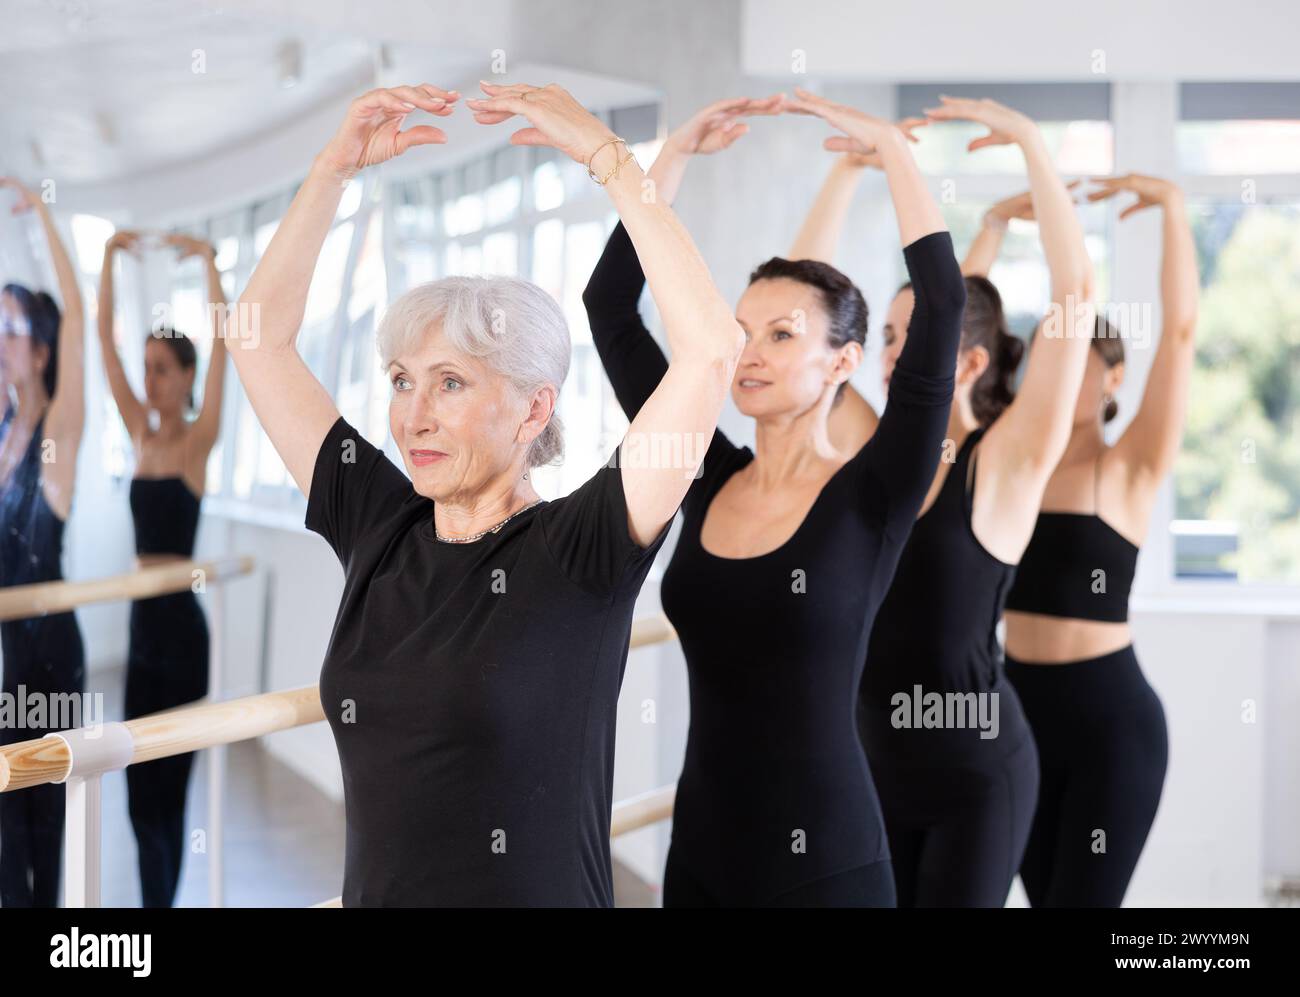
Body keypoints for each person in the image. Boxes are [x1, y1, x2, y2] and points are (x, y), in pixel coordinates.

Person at [224, 81, 744, 906]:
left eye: (451, 383)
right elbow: (256, 341)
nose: (413, 416)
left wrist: (607, 158)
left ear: (534, 405)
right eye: (401, 380)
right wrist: (332, 169)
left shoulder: (585, 546)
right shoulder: (380, 525)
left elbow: (712, 349)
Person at [584, 90, 965, 906]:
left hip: (826, 864)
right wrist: (669, 156)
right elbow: (609, 306)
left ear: (841, 363)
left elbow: (943, 304)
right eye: (742, 329)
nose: (747, 353)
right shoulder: (704, 472)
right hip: (701, 854)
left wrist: (892, 154)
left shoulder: (878, 489)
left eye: (781, 335)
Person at [796, 97, 1097, 906]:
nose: (891, 354)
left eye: (909, 335)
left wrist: (1034, 142)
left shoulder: (1004, 462)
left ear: (965, 362)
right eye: (887, 337)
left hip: (978, 779)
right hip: (871, 768)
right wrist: (847, 170)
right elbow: (801, 313)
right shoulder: (875, 448)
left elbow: (1074, 299)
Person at [1002, 173, 1196, 907]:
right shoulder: (1006, 467)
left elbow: (1179, 334)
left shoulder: (1130, 468)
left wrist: (1174, 209)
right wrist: (992, 224)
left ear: (1112, 377)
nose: (1048, 376)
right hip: (1015, 713)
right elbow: (948, 351)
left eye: (1075, 360)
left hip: (1110, 727)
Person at [97, 229, 229, 906]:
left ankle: (159, 912)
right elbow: (102, 341)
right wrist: (108, 259)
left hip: (181, 633)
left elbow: (227, 344)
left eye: (160, 368)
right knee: (133, 785)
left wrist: (209, 265)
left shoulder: (195, 445)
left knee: (168, 793)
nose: (147, 378)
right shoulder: (140, 433)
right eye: (145, 366)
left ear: (184, 377)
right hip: (143, 629)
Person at [0, 175, 87, 907]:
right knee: (5, 831)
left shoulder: (58, 432)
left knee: (41, 824)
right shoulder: (2, 430)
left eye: (13, 329)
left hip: (49, 658)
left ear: (43, 349)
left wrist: (45, 216)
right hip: (5, 656)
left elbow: (81, 318)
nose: (0, 342)